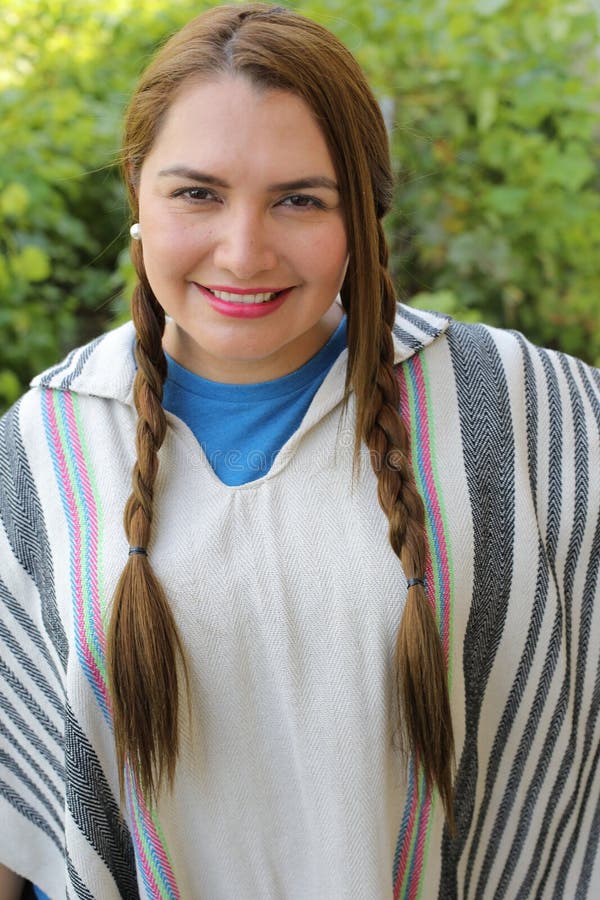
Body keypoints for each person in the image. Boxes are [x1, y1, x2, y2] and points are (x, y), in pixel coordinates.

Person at [0, 3, 598, 898]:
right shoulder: (40, 452)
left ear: (362, 215)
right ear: (137, 193)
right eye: (197, 193)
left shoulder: (522, 410)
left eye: (300, 200)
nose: (244, 253)